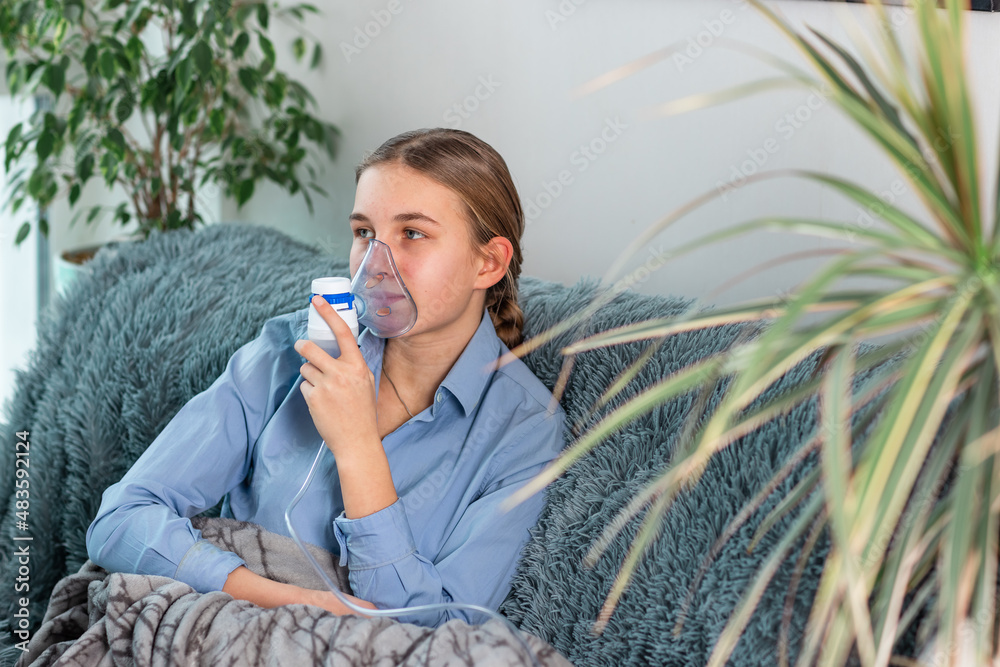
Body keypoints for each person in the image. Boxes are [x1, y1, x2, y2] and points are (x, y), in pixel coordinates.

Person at [85, 128, 568, 627]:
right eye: (365, 233)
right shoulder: (289, 350)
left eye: (413, 233)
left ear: (488, 262)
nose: (376, 266)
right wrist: (290, 604)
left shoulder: (523, 431)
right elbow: (121, 520)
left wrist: (357, 446)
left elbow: (442, 633)